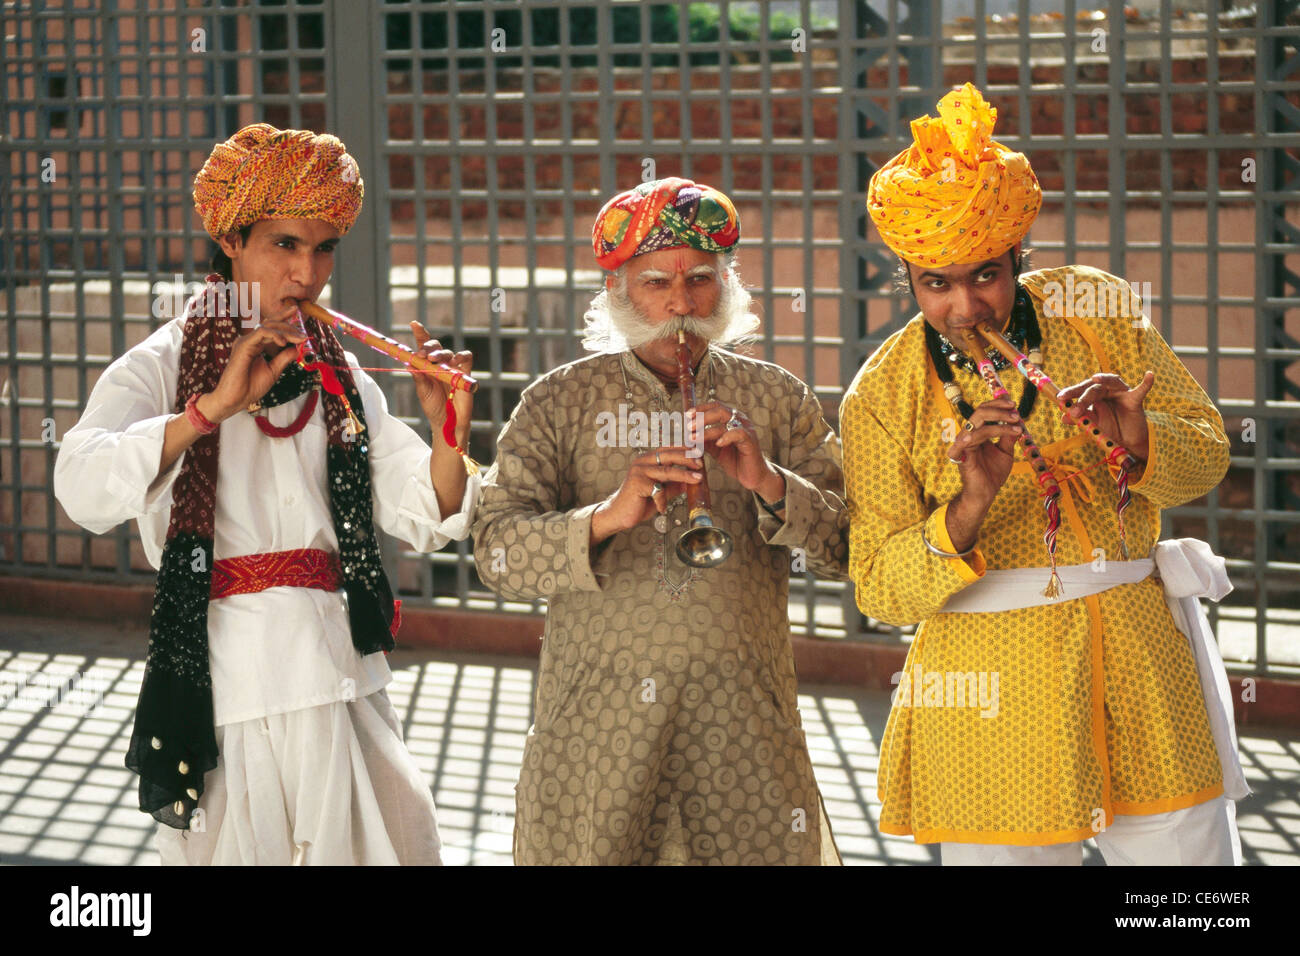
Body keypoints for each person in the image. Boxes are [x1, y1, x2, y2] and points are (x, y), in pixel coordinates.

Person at [841, 83, 1248, 865]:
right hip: (985, 693)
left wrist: (1139, 439)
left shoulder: (1093, 308)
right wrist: (968, 509)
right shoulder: (881, 393)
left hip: (1141, 658)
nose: (966, 307)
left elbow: (1208, 450)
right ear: (907, 275)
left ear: (1018, 256)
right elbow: (879, 589)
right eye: (937, 283)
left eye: (985, 275)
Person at [53, 123, 480, 865]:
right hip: (230, 683)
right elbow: (81, 485)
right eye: (284, 245)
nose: (306, 274)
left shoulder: (341, 372)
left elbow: (426, 513)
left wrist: (449, 429)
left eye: (322, 250)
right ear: (233, 243)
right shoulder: (164, 360)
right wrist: (208, 411)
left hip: (339, 674)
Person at [471, 177, 849, 864]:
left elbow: (847, 549)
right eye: (655, 284)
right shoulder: (558, 402)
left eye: (700, 280)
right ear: (617, 292)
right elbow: (495, 554)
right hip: (599, 726)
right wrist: (605, 516)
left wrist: (768, 481)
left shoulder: (776, 397)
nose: (681, 303)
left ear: (726, 284)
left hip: (743, 730)